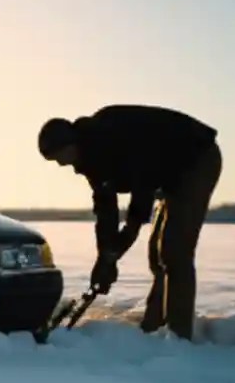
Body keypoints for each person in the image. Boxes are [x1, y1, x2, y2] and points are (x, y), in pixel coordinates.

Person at [37, 105, 222, 341]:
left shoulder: (107, 136)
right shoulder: (90, 159)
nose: (63, 166)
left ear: (69, 144)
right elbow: (106, 213)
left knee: (174, 253)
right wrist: (105, 259)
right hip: (167, 173)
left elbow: (142, 187)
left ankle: (179, 339)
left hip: (196, 159)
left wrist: (122, 243)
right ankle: (154, 326)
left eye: (59, 158)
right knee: (158, 258)